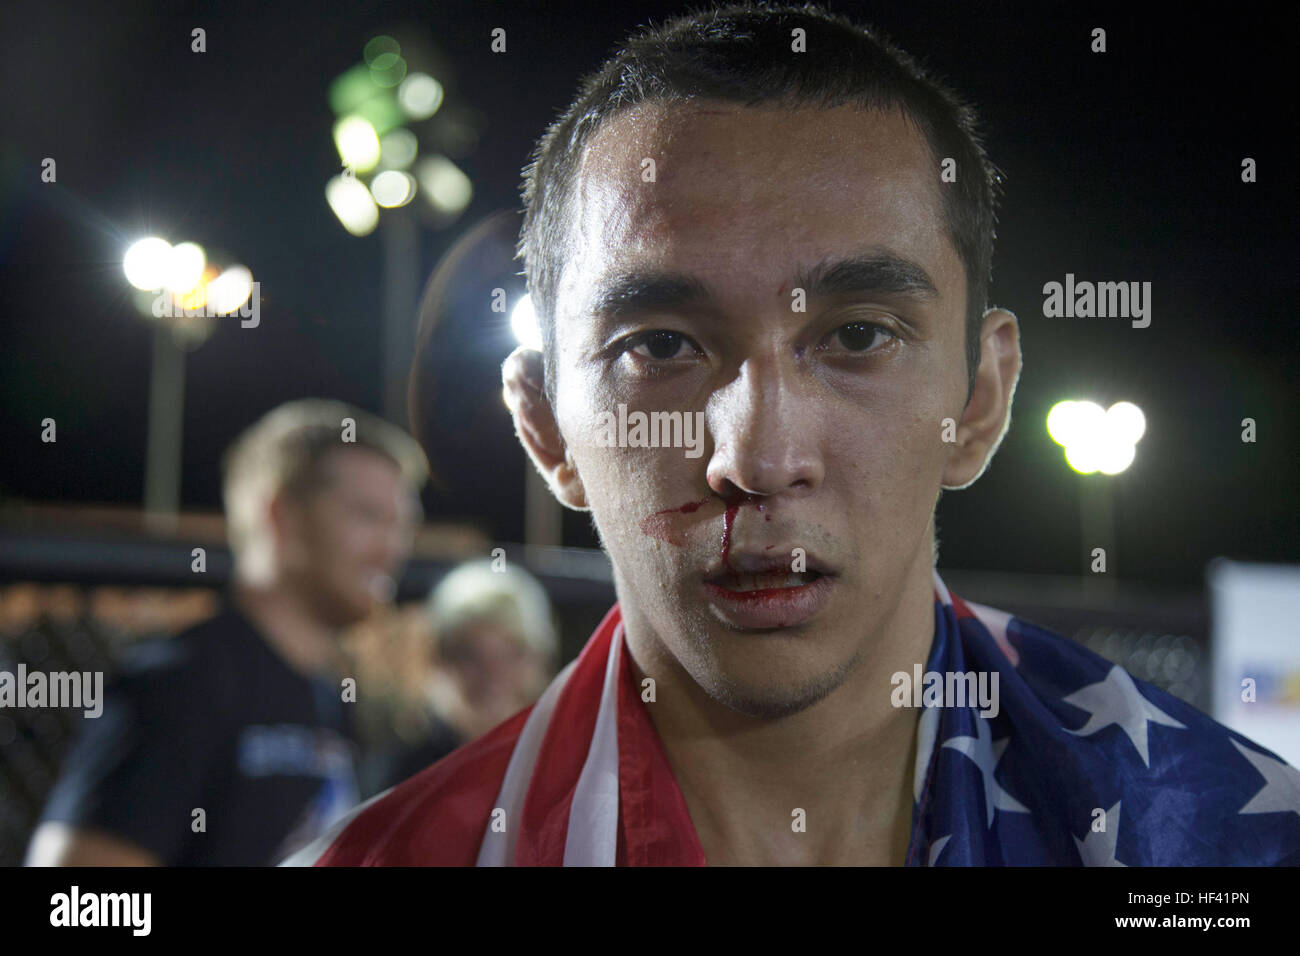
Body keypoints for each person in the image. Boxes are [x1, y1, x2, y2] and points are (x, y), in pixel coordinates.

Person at [286, 4, 1300, 866]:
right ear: (546, 425)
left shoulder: (1222, 838)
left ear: (979, 400)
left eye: (858, 335)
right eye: (660, 345)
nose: (757, 458)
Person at [26, 399, 427, 865]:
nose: (392, 548)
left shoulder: (325, 694)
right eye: (368, 516)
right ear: (283, 517)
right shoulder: (181, 683)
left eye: (401, 525)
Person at [377, 559, 558, 789]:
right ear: (440, 661)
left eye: (513, 653)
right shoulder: (410, 779)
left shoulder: (563, 770)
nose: (494, 672)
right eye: (470, 655)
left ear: (541, 660)